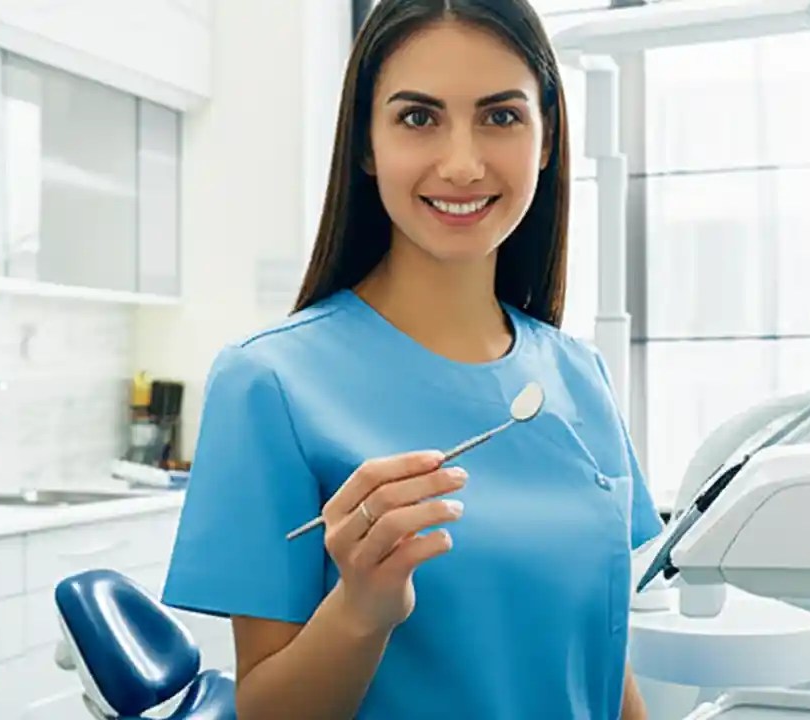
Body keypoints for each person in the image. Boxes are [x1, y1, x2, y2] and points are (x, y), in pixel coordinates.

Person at [161, 0, 665, 717]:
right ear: (366, 143)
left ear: (546, 138)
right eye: (418, 118)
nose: (462, 164)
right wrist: (362, 608)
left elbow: (603, 670)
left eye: (500, 116)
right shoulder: (269, 382)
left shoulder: (580, 376)